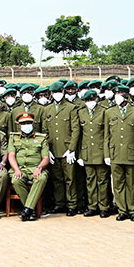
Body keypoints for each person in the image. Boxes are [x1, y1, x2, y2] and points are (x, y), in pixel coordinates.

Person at [104, 85, 134, 221]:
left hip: (131, 153)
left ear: (126, 95)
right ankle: (122, 210)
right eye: (116, 93)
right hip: (115, 153)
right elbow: (106, 136)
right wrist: (107, 154)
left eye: (120, 93)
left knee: (132, 183)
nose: (117, 95)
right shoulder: (109, 112)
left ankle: (133, 210)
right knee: (118, 184)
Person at [43, 81, 80, 216]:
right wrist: (47, 149)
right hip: (53, 149)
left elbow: (76, 129)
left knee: (70, 179)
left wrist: (71, 149)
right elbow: (44, 130)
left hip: (66, 149)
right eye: (54, 92)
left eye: (59, 92)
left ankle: (72, 204)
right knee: (57, 179)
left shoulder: (71, 108)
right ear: (51, 94)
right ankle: (60, 203)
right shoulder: (47, 109)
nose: (57, 95)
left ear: (63, 92)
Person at [8, 113, 49, 221]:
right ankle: (31, 210)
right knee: (16, 180)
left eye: (28, 123)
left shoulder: (41, 138)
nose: (26, 125)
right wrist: (16, 169)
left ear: (33, 124)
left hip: (36, 168)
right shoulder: (13, 137)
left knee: (41, 178)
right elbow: (11, 155)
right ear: (19, 125)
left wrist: (39, 168)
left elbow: (45, 158)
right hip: (20, 168)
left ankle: (27, 210)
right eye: (23, 123)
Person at [77, 90, 111, 218]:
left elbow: (107, 134)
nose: (90, 103)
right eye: (88, 101)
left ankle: (104, 207)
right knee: (90, 180)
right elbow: (79, 135)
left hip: (100, 151)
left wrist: (107, 153)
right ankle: (92, 206)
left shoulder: (104, 111)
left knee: (102, 180)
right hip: (87, 152)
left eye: (92, 100)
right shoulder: (81, 112)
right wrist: (80, 154)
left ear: (97, 100)